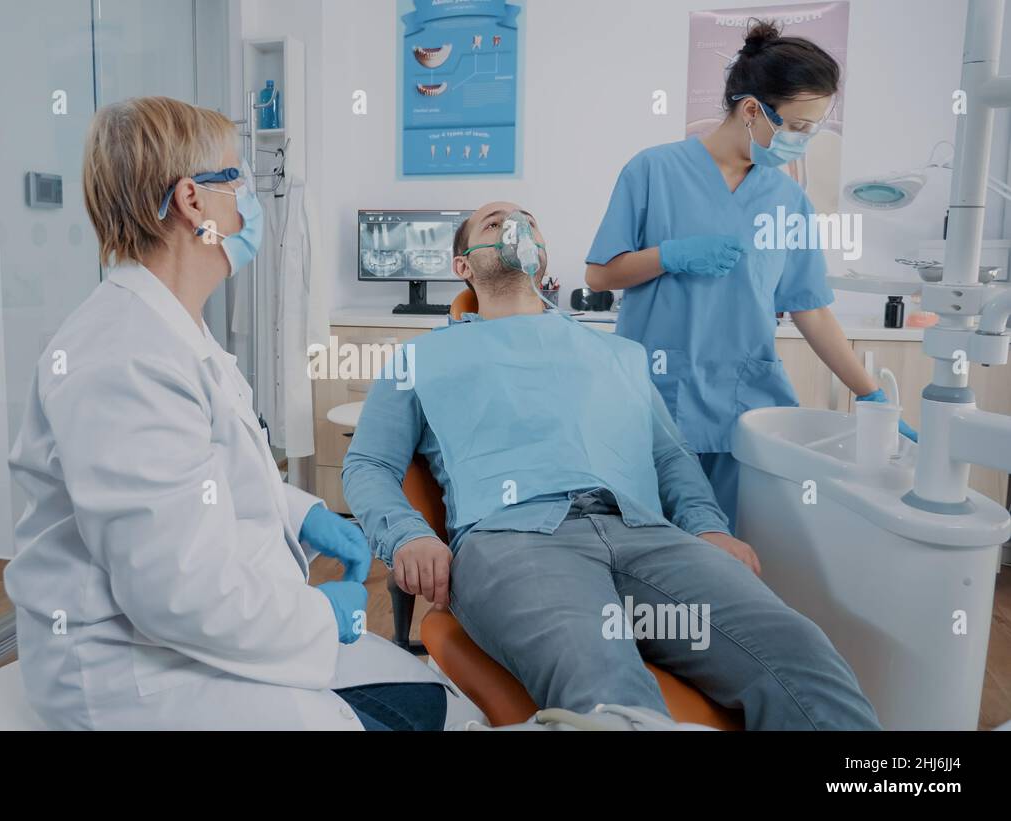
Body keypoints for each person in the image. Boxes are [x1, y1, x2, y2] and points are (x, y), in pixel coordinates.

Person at [2, 96, 452, 730]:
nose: (248, 198)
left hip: (194, 639)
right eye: (235, 176)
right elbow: (177, 593)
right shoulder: (124, 359)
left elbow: (204, 479)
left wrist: (305, 513)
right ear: (193, 202)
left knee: (421, 701)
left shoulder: (171, 327)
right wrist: (322, 616)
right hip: (136, 671)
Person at [343, 200, 881, 730]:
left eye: (527, 221)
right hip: (514, 539)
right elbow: (367, 463)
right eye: (494, 222)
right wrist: (409, 535)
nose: (514, 225)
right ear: (462, 266)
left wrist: (708, 526)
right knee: (602, 681)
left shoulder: (618, 353)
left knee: (799, 653)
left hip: (647, 534)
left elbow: (671, 455)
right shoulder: (420, 358)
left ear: (543, 258)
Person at [585, 19, 914, 530]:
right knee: (660, 550)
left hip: (746, 402)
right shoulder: (651, 171)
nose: (803, 140)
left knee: (741, 551)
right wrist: (669, 255)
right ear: (752, 109)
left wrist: (870, 393)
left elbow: (810, 307)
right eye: (798, 127)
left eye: (814, 129)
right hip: (657, 398)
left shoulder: (788, 200)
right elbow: (600, 276)